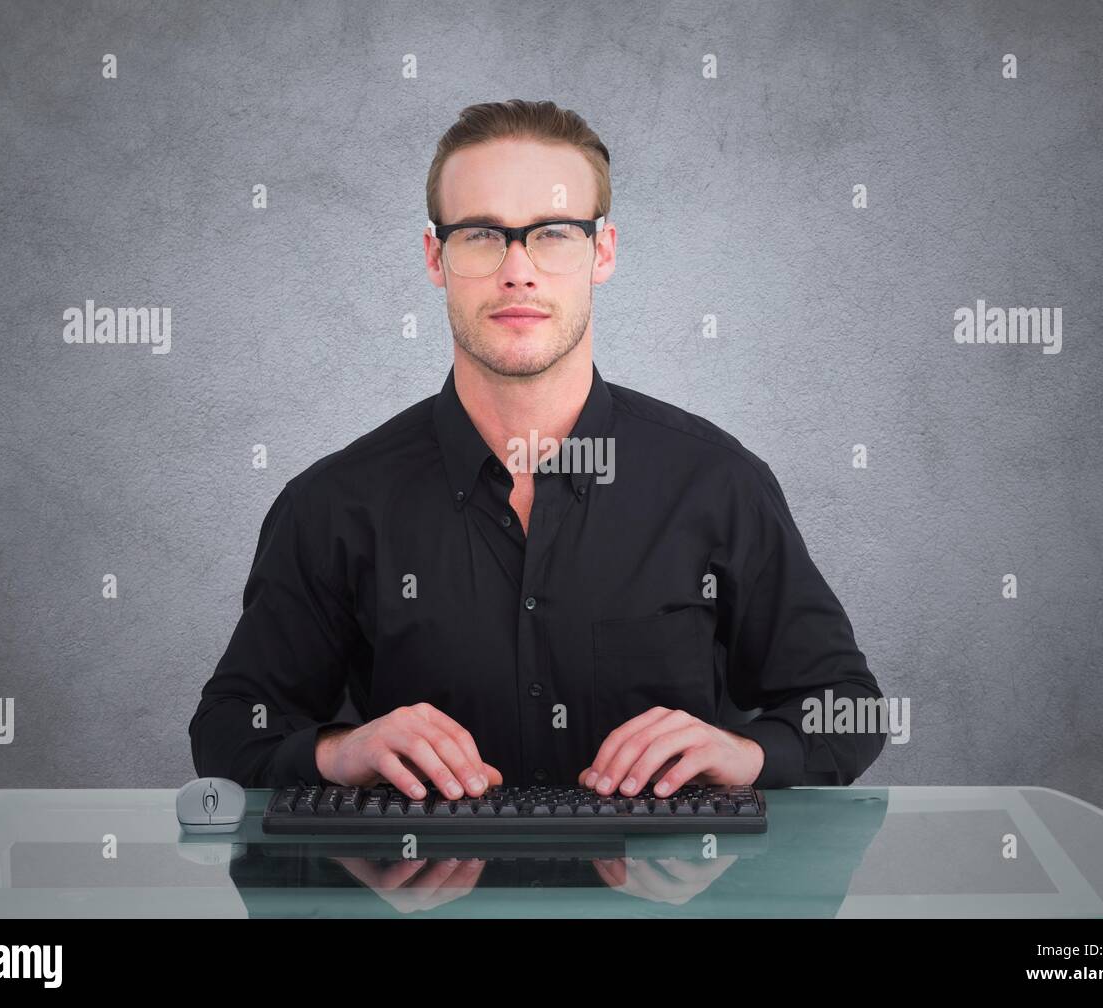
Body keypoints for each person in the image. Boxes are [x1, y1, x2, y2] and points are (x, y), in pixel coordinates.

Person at [188, 99, 886, 802]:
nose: (517, 270)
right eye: (483, 235)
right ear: (436, 256)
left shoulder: (717, 483)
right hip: (425, 911)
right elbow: (228, 730)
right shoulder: (335, 504)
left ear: (602, 251)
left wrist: (745, 753)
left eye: (553, 233)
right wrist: (339, 752)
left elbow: (850, 709)